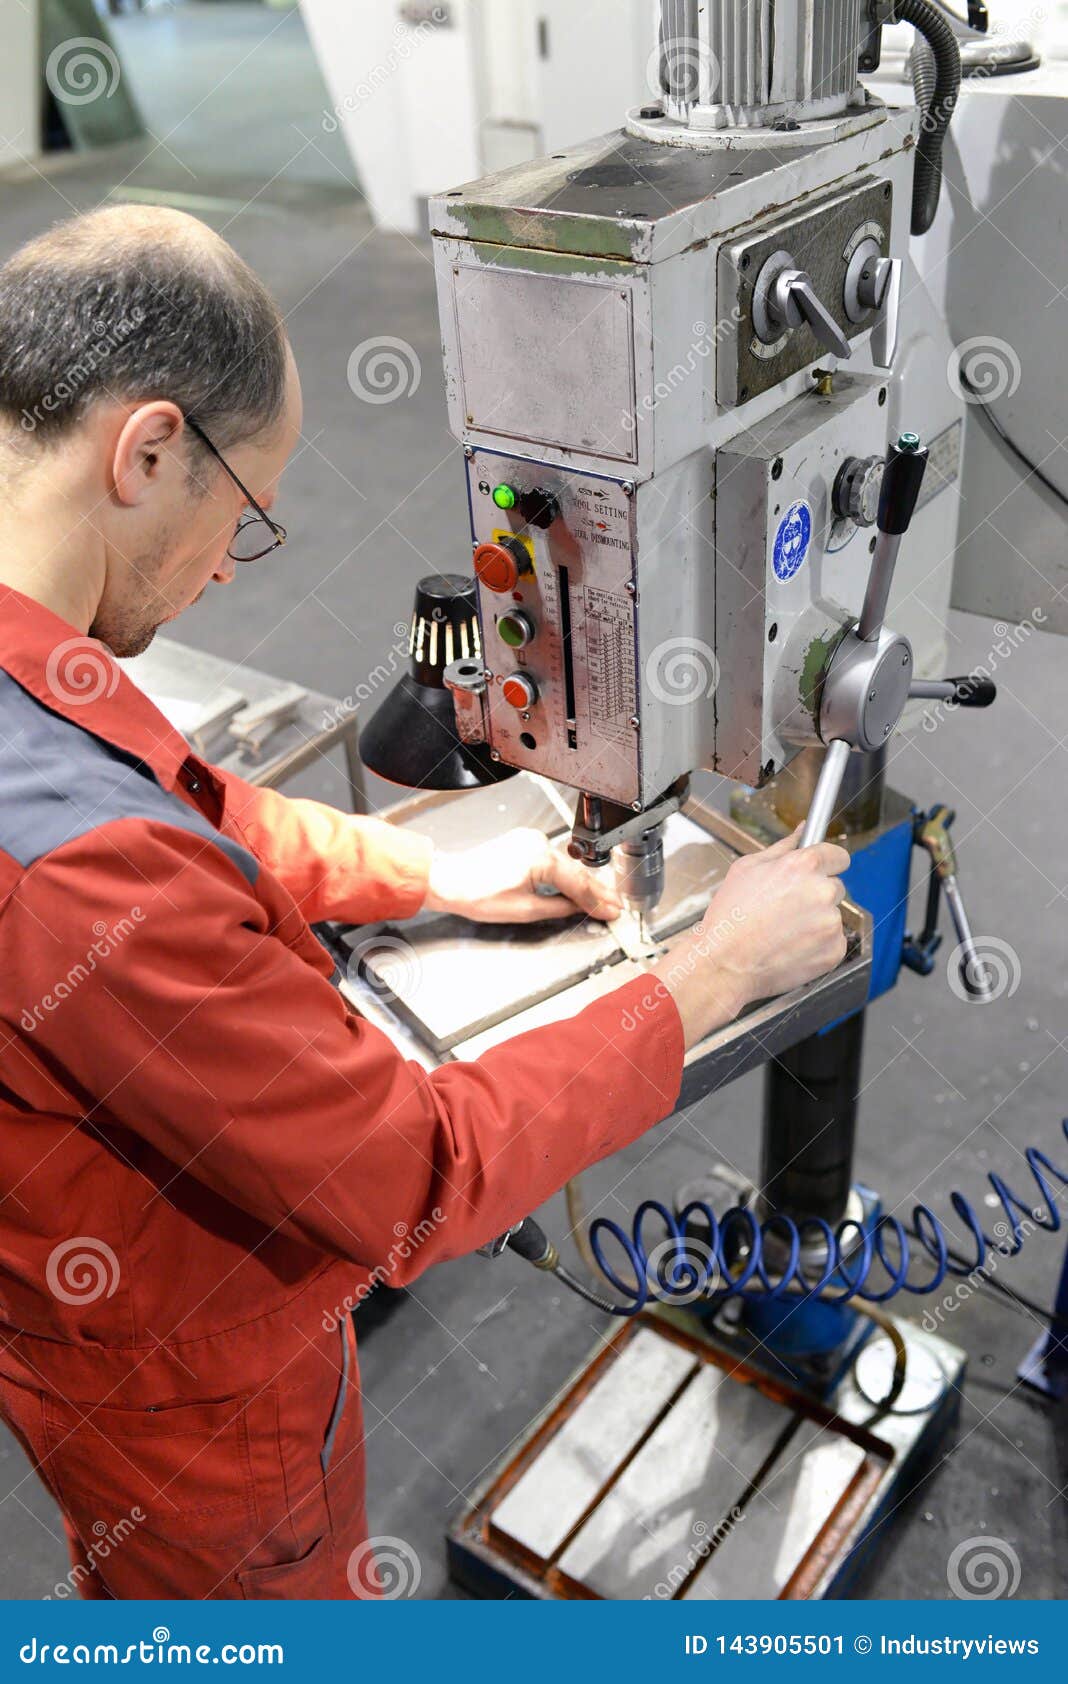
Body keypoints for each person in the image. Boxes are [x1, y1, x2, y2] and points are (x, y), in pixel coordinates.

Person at [0, 206, 849, 1599]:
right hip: (198, 1417)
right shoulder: (85, 875)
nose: (223, 567)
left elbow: (186, 808)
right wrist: (712, 974)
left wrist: (429, 869)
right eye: (244, 515)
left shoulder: (40, 685)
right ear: (147, 451)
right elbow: (412, 1178)